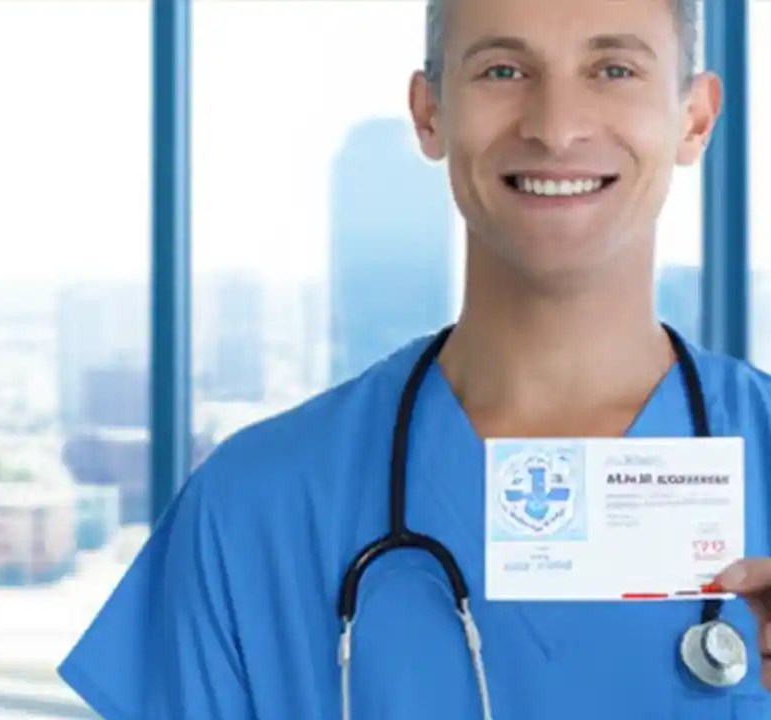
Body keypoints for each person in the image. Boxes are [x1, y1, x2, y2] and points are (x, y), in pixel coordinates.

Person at [59, 0, 771, 717]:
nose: (556, 128)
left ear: (696, 117)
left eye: (613, 69)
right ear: (430, 114)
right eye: (503, 69)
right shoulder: (252, 508)